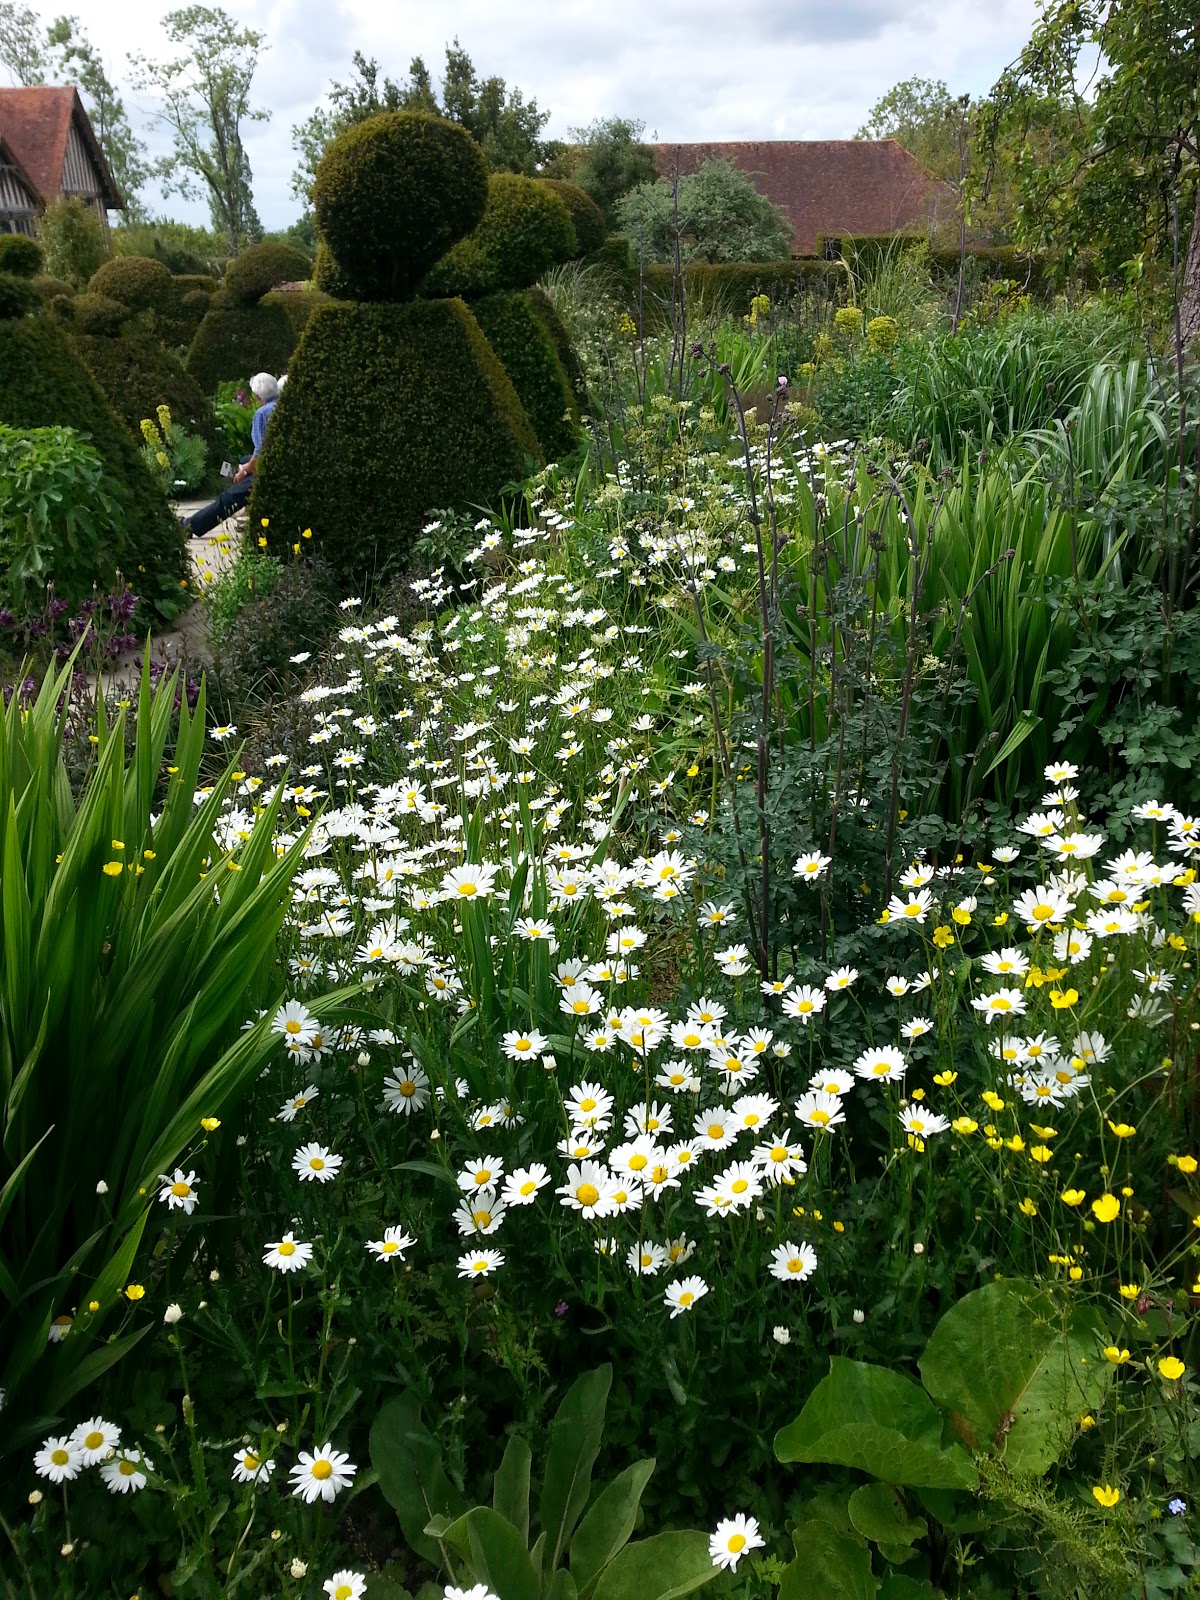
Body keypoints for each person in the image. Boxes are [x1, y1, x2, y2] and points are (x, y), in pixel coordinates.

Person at [179, 372, 279, 539]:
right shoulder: (280, 406)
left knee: (230, 496)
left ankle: (190, 525)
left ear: (257, 396)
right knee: (244, 460)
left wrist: (245, 471)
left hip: (270, 468)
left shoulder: (262, 414)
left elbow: (261, 455)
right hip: (280, 463)